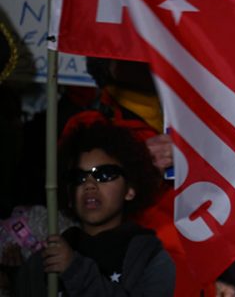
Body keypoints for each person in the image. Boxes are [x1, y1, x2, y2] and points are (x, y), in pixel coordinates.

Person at [16, 122, 174, 296]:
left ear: (130, 190)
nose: (90, 185)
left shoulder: (149, 257)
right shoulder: (43, 261)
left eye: (104, 174)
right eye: (78, 177)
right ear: (68, 195)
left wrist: (75, 270)